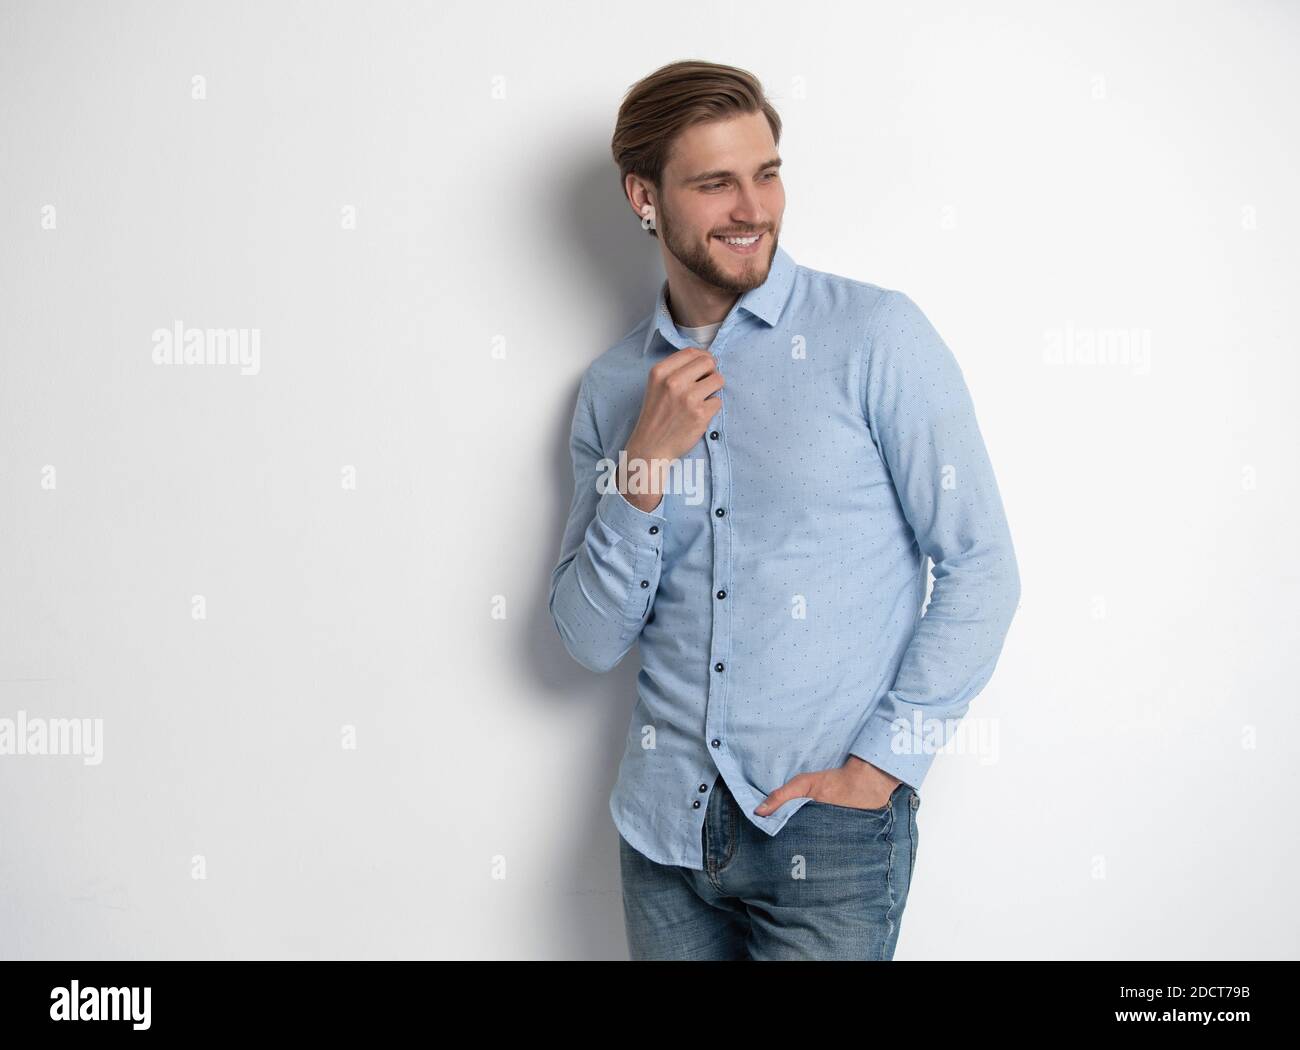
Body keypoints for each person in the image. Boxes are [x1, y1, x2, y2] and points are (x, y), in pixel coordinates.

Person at [548, 59, 1020, 960]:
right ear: (642, 196)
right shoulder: (615, 391)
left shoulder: (877, 337)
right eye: (715, 182)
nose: (753, 208)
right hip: (662, 838)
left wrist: (885, 764)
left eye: (766, 173)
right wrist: (642, 464)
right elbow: (586, 639)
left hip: (829, 837)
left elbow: (982, 566)